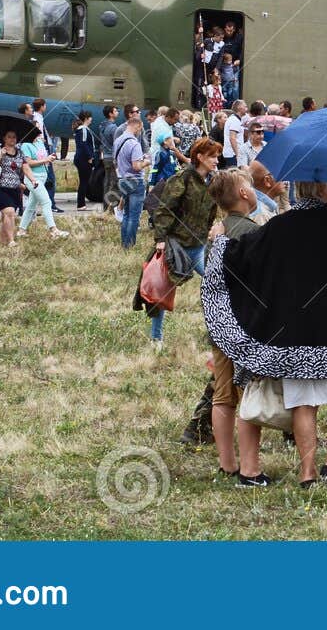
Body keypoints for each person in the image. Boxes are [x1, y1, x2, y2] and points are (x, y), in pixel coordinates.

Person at [202, 180, 327, 488]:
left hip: (295, 334)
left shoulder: (278, 226)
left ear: (300, 189)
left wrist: (220, 242)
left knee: (304, 403)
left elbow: (243, 260)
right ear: (325, 191)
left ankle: (307, 473)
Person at [200, 169, 271, 484]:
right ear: (243, 194)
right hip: (245, 327)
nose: (255, 191)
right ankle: (249, 470)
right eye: (251, 186)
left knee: (222, 393)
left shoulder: (216, 233)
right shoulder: (251, 233)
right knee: (250, 394)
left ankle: (227, 464)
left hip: (218, 324)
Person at [147, 137, 222, 348]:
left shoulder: (211, 181)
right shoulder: (181, 179)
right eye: (212, 156)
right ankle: (156, 338)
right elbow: (163, 210)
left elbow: (211, 209)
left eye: (217, 156)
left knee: (216, 285)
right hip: (176, 246)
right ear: (199, 157)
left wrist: (209, 229)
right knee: (162, 292)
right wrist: (161, 240)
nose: (217, 160)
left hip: (198, 246)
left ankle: (218, 333)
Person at [19, 132, 68, 239]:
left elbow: (43, 159)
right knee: (46, 202)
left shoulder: (40, 143)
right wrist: (45, 160)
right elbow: (28, 162)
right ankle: (53, 229)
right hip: (32, 178)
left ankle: (21, 230)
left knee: (31, 205)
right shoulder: (25, 145)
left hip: (43, 176)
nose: (40, 132)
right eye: (36, 129)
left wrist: (50, 158)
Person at [113, 115, 148, 248]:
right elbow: (136, 166)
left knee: (126, 214)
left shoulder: (118, 141)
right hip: (135, 181)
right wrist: (146, 162)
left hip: (122, 179)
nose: (140, 132)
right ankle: (130, 244)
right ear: (137, 126)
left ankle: (124, 243)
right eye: (140, 129)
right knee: (134, 216)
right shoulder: (134, 143)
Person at [72, 111, 98, 208]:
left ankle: (81, 203)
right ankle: (81, 204)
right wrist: (90, 157)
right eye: (90, 117)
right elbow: (83, 144)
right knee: (84, 182)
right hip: (83, 159)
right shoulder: (83, 129)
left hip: (81, 159)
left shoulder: (83, 129)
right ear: (86, 118)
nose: (91, 119)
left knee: (83, 181)